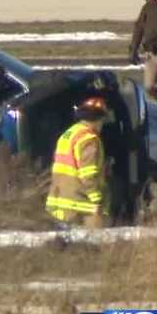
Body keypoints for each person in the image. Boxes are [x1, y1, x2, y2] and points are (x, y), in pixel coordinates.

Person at [46, 96, 110, 229]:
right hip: (81, 207)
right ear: (98, 120)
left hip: (60, 202)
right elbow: (88, 174)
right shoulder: (89, 139)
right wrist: (97, 199)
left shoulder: (69, 134)